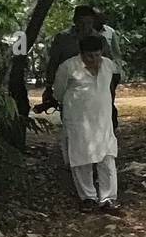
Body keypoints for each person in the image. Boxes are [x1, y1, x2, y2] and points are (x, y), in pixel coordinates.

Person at [52, 34, 121, 214]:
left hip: (103, 120)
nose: (95, 60)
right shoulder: (67, 67)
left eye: (98, 55)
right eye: (90, 56)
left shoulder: (108, 65)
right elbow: (59, 92)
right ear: (81, 54)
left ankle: (108, 199)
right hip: (78, 119)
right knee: (81, 158)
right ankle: (88, 198)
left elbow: (113, 84)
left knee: (107, 158)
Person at [94, 11, 124, 131]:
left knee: (108, 98)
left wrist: (117, 70)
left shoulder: (110, 32)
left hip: (108, 71)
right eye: (99, 17)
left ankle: (111, 125)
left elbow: (116, 53)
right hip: (91, 71)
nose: (102, 19)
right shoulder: (86, 32)